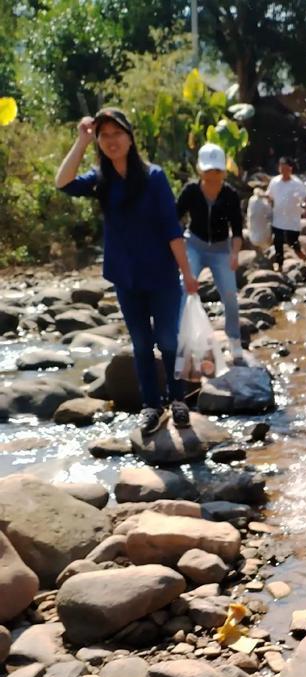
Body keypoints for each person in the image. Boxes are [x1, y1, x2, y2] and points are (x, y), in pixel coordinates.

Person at [56, 107, 199, 434]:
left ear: (131, 138)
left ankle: (177, 400)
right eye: (104, 136)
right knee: (141, 343)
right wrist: (81, 141)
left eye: (117, 134)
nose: (111, 141)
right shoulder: (99, 180)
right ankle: (151, 405)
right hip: (125, 277)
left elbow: (171, 229)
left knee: (168, 341)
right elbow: (63, 182)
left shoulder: (154, 177)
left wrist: (187, 274)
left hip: (162, 276)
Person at [177, 143, 245, 365]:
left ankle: (234, 341)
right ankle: (180, 341)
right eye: (208, 171)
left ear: (223, 171)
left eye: (216, 171)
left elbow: (237, 230)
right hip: (194, 244)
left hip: (220, 249)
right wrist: (175, 248)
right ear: (200, 170)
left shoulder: (230, 195)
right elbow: (174, 219)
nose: (212, 175)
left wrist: (234, 254)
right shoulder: (191, 191)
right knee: (184, 289)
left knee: (230, 296)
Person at [267, 156, 306, 271]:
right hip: (278, 218)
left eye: (286, 168)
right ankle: (280, 265)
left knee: (292, 241)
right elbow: (269, 196)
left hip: (292, 219)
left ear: (290, 169)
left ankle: (302, 256)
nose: (283, 171)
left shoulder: (296, 183)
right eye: (281, 168)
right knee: (277, 242)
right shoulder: (275, 181)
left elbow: (305, 196)